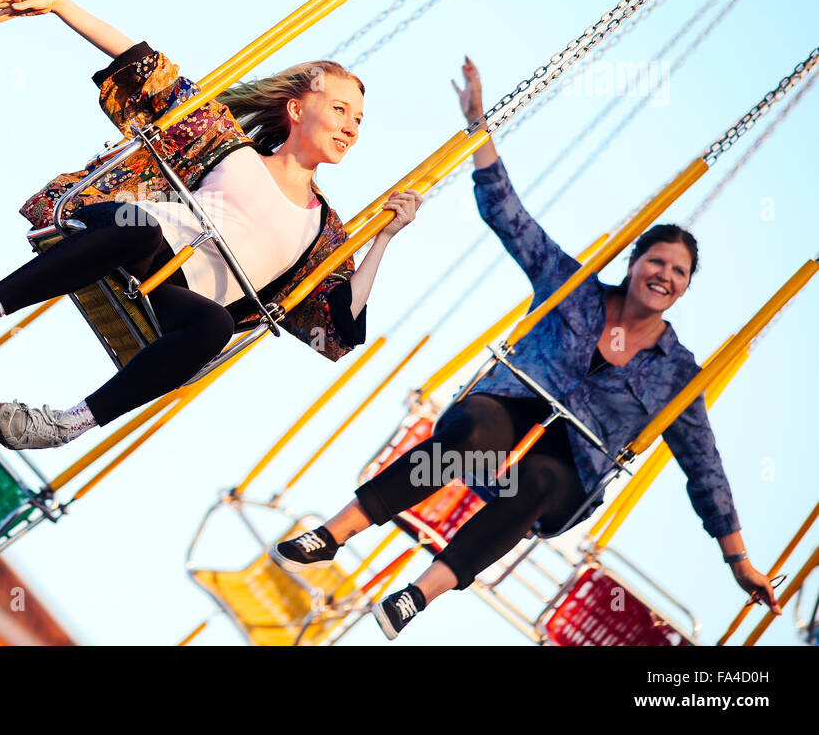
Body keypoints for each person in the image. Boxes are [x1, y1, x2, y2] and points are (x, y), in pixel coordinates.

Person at [270, 56, 782, 640]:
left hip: (561, 470)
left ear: (686, 287)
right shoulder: (574, 289)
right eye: (656, 262)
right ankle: (336, 531)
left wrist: (737, 559)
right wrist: (479, 129)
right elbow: (509, 217)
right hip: (503, 420)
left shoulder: (676, 372)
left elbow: (703, 464)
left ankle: (419, 594)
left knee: (539, 483)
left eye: (678, 272)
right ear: (634, 263)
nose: (664, 275)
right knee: (468, 438)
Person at [0, 0, 421, 450]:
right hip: (138, 241)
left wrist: (384, 238)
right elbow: (148, 71)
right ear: (296, 109)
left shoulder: (324, 230)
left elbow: (341, 322)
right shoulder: (225, 141)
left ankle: (66, 425)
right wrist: (61, 6)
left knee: (215, 327)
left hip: (176, 298)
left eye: (358, 120)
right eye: (340, 109)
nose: (350, 127)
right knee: (141, 227)